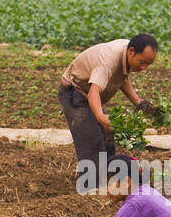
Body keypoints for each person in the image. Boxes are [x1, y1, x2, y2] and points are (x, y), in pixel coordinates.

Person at [58, 34, 158, 192]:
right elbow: (93, 92)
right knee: (92, 139)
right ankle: (90, 189)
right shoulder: (109, 61)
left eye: (148, 64)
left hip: (89, 94)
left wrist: (139, 103)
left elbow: (122, 79)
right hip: (75, 91)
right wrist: (100, 117)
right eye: (143, 62)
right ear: (131, 51)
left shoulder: (126, 53)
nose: (144, 68)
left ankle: (110, 182)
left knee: (108, 138)